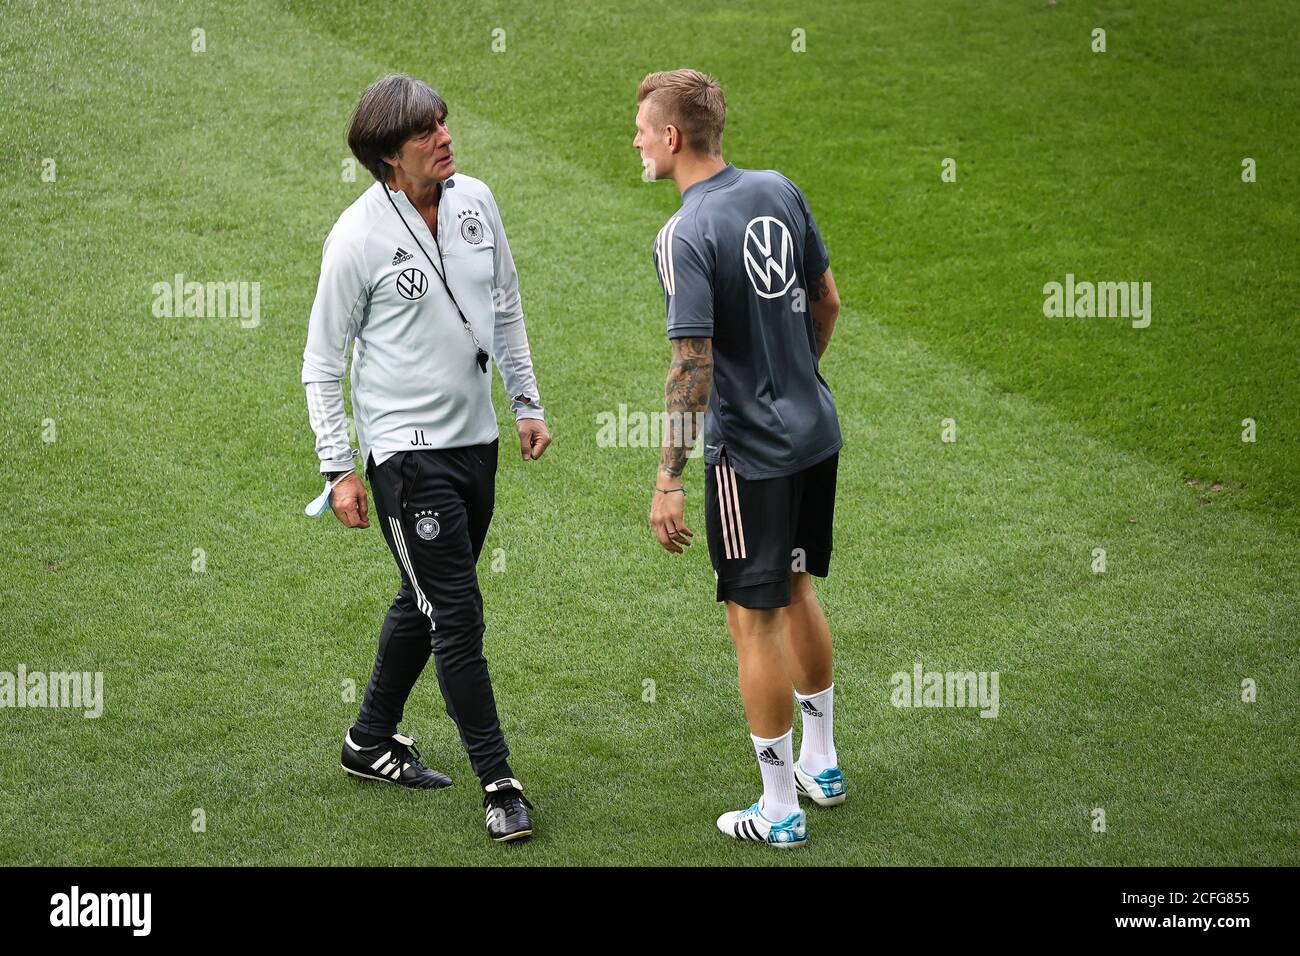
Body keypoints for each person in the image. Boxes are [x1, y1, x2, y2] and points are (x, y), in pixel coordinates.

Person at [302, 74, 550, 843]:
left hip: (476, 447)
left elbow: (503, 303)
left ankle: (369, 739)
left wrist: (527, 402)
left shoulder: (476, 201)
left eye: (444, 123)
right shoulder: (357, 237)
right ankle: (500, 782)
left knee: (427, 600)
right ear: (388, 156)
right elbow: (321, 360)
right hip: (407, 462)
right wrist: (339, 467)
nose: (445, 138)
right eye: (426, 133)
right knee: (458, 614)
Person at [635, 69, 845, 848]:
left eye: (640, 127)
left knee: (752, 623)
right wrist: (797, 375)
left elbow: (691, 367)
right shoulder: (779, 188)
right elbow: (825, 298)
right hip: (814, 432)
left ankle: (779, 809)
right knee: (797, 587)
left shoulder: (683, 235)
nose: (634, 140)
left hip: (747, 458)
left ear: (671, 137)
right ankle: (822, 766)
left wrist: (668, 478)